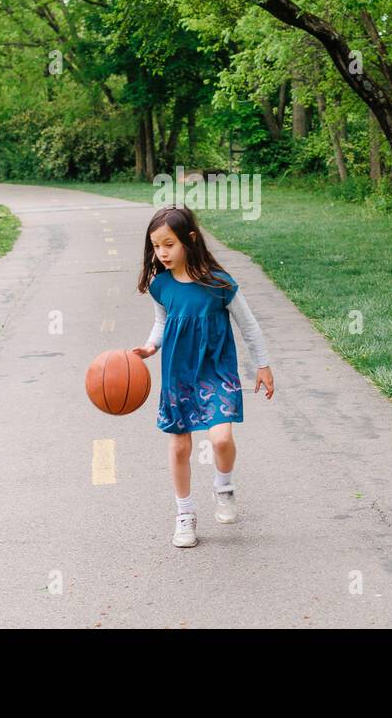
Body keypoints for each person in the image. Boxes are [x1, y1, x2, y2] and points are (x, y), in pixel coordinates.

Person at [132, 205, 274, 547]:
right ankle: (185, 514)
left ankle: (223, 486)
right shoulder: (161, 285)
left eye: (169, 244)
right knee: (180, 445)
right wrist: (151, 347)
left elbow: (248, 324)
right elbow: (163, 322)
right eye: (156, 246)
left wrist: (263, 365)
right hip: (178, 375)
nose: (161, 253)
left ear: (189, 240)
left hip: (216, 371)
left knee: (221, 438)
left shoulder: (218, 282)